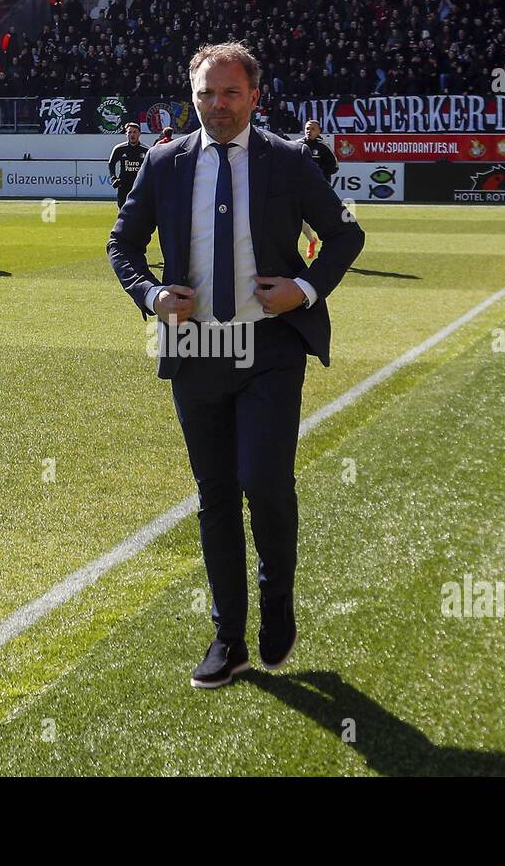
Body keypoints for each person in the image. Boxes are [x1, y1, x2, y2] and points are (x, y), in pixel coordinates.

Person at [106, 41, 365, 689]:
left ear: (254, 96)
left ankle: (277, 594)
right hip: (197, 350)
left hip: (270, 347)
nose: (216, 106)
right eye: (205, 94)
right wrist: (153, 295)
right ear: (190, 97)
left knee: (264, 483)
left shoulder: (287, 161)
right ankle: (229, 637)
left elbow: (345, 232)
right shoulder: (164, 164)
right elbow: (123, 244)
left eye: (229, 93)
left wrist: (303, 291)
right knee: (215, 495)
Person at [296, 120, 339, 260]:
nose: (309, 131)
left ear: (319, 131)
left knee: (324, 220)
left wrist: (318, 173)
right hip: (301, 188)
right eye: (307, 128)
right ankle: (311, 240)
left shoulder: (323, 147)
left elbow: (334, 167)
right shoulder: (297, 144)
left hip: (320, 189)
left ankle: (331, 251)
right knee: (297, 217)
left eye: (313, 129)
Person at [108, 123, 148, 209]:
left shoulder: (146, 150)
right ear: (126, 134)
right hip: (124, 185)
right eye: (129, 132)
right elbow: (111, 163)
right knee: (123, 212)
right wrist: (113, 178)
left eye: (134, 132)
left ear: (139, 133)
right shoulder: (119, 149)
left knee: (140, 213)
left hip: (139, 186)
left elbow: (151, 167)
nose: (132, 135)